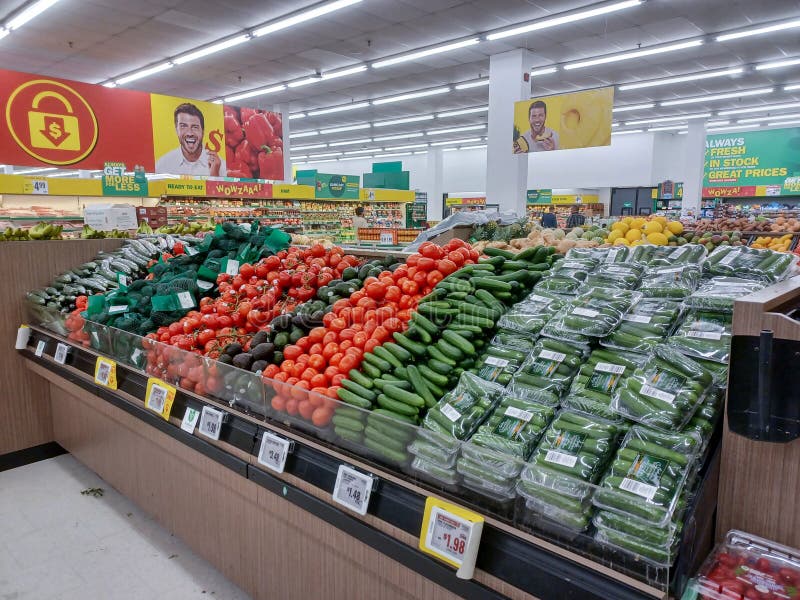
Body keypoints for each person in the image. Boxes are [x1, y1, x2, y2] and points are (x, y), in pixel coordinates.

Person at [155, 103, 226, 177]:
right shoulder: (162, 165)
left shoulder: (219, 165)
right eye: (183, 126)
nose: (189, 133)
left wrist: (215, 175)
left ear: (203, 131)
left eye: (195, 127)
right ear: (176, 130)